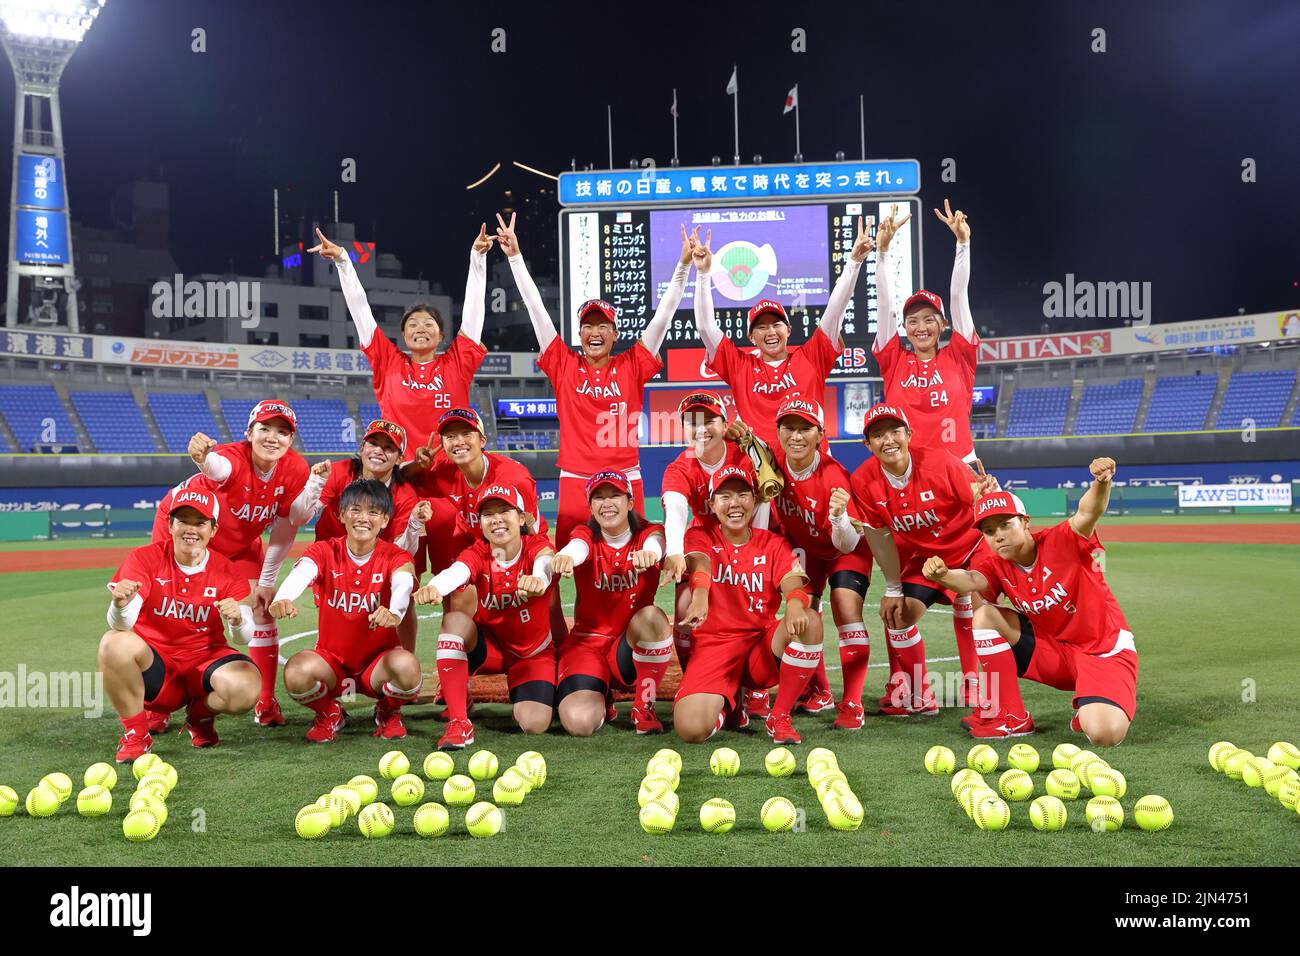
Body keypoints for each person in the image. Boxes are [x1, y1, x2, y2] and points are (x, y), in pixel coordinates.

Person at [496, 212, 693, 547]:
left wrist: (684, 266)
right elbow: (535, 308)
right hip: (575, 479)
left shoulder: (633, 364)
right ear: (580, 332)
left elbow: (664, 315)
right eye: (588, 325)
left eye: (603, 325)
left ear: (615, 333)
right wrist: (515, 257)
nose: (595, 331)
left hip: (626, 477)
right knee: (566, 563)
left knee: (636, 562)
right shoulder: (563, 363)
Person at [308, 224, 491, 579]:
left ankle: (459, 636)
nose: (421, 327)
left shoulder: (456, 363)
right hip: (396, 483)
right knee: (396, 576)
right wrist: (344, 262)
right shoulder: (388, 361)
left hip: (447, 484)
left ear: (442, 334)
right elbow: (362, 313)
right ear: (403, 335)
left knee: (457, 576)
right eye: (412, 324)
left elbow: (473, 317)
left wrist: (477, 259)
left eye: (430, 324)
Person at [921, 460, 1137, 746]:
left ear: (1025, 522)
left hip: (1103, 651)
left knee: (1104, 735)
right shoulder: (997, 563)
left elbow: (1088, 512)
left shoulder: (1062, 541)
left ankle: (1091, 706)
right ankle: (1012, 716)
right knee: (985, 615)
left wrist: (1101, 481)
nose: (998, 535)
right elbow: (971, 581)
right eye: (988, 531)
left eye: (1005, 525)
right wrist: (945, 575)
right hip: (1055, 654)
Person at [847, 403, 1031, 736]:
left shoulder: (941, 462)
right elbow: (879, 536)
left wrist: (988, 493)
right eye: (877, 435)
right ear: (867, 444)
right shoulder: (863, 480)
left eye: (894, 432)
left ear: (909, 434)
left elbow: (980, 504)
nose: (888, 440)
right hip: (928, 558)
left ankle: (993, 701)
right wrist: (892, 587)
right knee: (898, 615)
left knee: (981, 615)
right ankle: (920, 695)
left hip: (971, 549)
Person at [873, 200, 982, 703]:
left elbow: (960, 298)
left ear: (941, 325)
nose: (920, 326)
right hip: (907, 484)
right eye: (912, 319)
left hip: (960, 478)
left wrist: (961, 246)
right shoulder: (892, 357)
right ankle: (911, 690)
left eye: (928, 319)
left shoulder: (960, 354)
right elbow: (884, 307)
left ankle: (979, 687)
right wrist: (883, 254)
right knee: (896, 591)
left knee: (969, 593)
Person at [151, 399, 309, 729]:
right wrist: (202, 456)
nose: (272, 437)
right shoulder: (232, 459)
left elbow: (284, 528)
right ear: (249, 433)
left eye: (282, 432)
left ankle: (266, 701)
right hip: (188, 531)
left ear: (291, 440)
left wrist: (267, 581)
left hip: (239, 544)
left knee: (262, 606)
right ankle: (158, 704)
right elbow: (216, 467)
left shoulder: (295, 468)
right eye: (264, 428)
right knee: (171, 610)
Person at [102, 488, 260, 762]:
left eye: (200, 523)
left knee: (246, 687)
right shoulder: (145, 558)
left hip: (204, 662)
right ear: (170, 525)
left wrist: (237, 620)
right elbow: (122, 623)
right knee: (112, 643)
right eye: (183, 520)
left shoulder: (227, 570)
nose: (191, 529)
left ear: (213, 529)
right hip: (158, 669)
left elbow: (243, 638)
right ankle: (136, 734)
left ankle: (199, 716)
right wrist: (119, 605)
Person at [689, 216, 874, 448]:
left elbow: (835, 310)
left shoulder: (810, 357)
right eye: (761, 327)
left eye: (776, 325)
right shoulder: (740, 366)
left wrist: (854, 262)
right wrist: (703, 274)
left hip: (809, 464)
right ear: (751, 337)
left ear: (788, 329)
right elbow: (705, 327)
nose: (770, 332)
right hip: (760, 471)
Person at [674, 463, 822, 745]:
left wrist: (794, 602)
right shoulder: (700, 535)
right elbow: (700, 563)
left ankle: (779, 716)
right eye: (725, 496)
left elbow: (793, 582)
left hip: (759, 646)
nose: (735, 504)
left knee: (810, 620)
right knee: (691, 731)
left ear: (754, 500)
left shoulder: (773, 543)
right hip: (714, 647)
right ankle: (731, 704)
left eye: (742, 495)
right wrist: (701, 594)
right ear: (712, 504)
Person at [269, 479, 421, 742]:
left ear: (385, 520)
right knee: (296, 672)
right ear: (341, 514)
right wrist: (283, 597)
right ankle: (329, 713)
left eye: (373, 512)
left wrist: (395, 612)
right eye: (355, 510)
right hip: (332, 663)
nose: (363, 518)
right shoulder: (325, 550)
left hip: (377, 664)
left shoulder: (396, 556)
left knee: (408, 667)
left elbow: (403, 582)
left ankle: (387, 710)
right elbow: (304, 570)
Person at [415, 484, 558, 750]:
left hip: (532, 655)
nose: (497, 519)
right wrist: (436, 586)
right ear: (480, 523)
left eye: (505, 511)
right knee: (454, 622)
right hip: (492, 649)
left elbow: (545, 559)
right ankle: (459, 721)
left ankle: (538, 690)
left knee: (534, 724)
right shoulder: (478, 552)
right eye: (488, 514)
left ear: (522, 518)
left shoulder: (535, 545)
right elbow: (458, 571)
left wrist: (539, 578)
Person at [764, 398, 875, 730]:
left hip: (845, 547)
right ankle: (820, 690)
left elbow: (846, 542)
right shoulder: (771, 462)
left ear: (820, 434)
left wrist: (839, 518)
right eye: (789, 428)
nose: (796, 436)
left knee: (844, 606)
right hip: (804, 549)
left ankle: (853, 703)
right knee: (802, 613)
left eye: (805, 429)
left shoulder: (834, 476)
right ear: (779, 432)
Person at [658, 390, 768, 695]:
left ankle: (753, 687)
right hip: (703, 544)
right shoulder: (680, 467)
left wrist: (754, 552)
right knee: (684, 606)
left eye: (709, 420)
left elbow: (765, 500)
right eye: (692, 422)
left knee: (752, 606)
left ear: (724, 424)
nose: (701, 428)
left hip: (746, 541)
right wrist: (675, 552)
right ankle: (693, 677)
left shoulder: (746, 455)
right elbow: (677, 509)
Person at [290, 419, 430, 651]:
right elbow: (299, 517)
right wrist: (314, 484)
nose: (378, 451)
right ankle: (331, 657)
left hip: (382, 559)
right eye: (373, 443)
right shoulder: (337, 472)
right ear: (362, 446)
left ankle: (406, 662)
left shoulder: (405, 494)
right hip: (335, 558)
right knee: (338, 614)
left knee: (405, 598)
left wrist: (414, 524)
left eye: (388, 447)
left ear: (400, 458)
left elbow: (402, 551)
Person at [550, 471, 671, 735]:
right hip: (586, 644)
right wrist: (566, 557)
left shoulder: (649, 533)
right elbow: (577, 547)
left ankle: (644, 707)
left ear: (630, 502)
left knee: (653, 617)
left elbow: (657, 542)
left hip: (627, 649)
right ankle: (601, 694)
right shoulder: (584, 534)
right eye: (599, 497)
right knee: (580, 724)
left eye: (615, 495)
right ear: (591, 506)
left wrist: (652, 553)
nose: (607, 503)